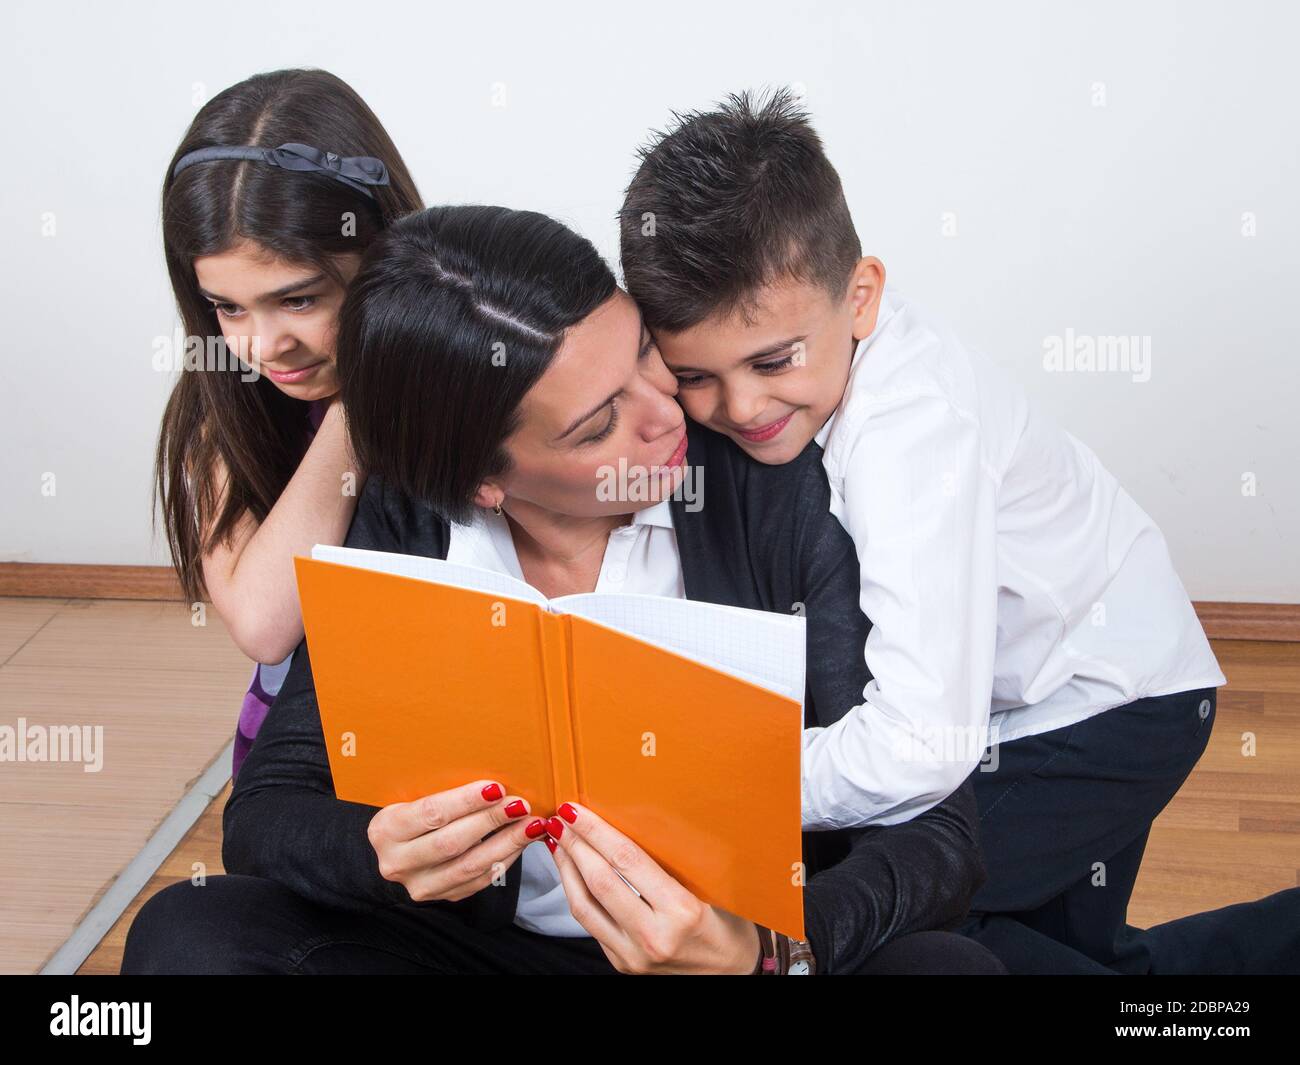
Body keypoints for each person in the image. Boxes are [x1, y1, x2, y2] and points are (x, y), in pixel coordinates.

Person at [123, 205, 1005, 975]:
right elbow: (267, 809)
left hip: (722, 954)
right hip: (477, 950)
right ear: (481, 483)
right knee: (192, 930)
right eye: (597, 426)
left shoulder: (769, 480)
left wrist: (769, 954)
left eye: (644, 358)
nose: (671, 414)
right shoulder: (410, 517)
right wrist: (376, 851)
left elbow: (938, 835)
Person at [616, 88, 1300, 974]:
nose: (740, 406)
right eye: (695, 376)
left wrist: (718, 780)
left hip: (1110, 705)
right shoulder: (825, 383)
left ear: (861, 297)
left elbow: (916, 748)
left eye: (772, 360)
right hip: (1035, 695)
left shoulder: (911, 436)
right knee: (1070, 950)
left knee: (919, 909)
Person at [152, 68, 423, 779]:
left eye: (298, 300)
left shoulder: (467, 372)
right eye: (228, 307)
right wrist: (356, 408)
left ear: (383, 255)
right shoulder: (221, 413)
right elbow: (267, 624)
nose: (263, 346)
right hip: (302, 762)